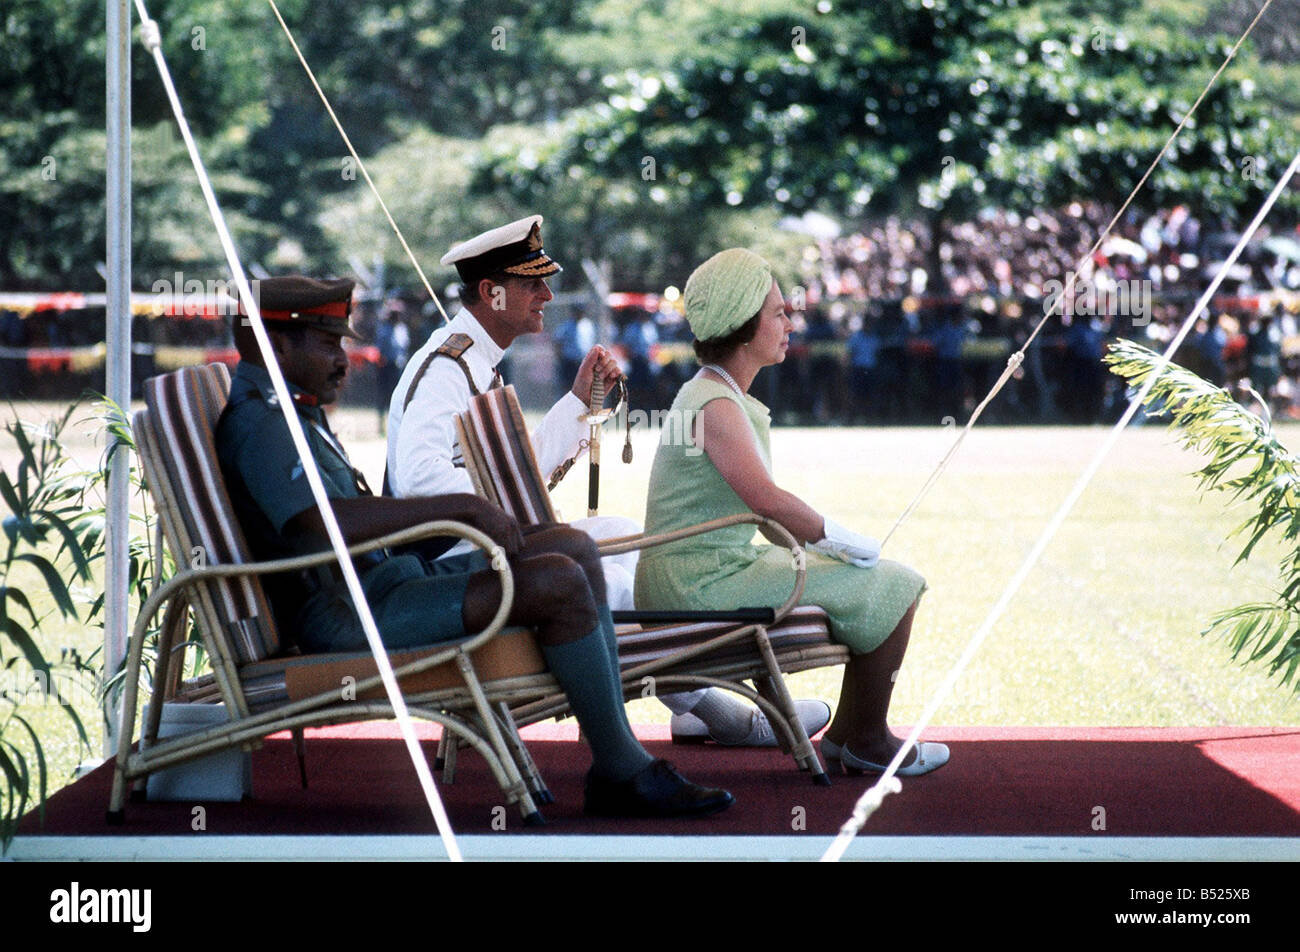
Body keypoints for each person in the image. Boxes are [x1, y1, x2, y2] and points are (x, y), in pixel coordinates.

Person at [215, 275, 733, 818]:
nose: (344, 359)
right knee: (556, 580)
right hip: (349, 614)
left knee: (572, 547)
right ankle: (621, 768)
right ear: (276, 345)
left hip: (380, 585)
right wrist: (458, 508)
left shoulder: (292, 411)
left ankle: (616, 757)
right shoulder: (264, 422)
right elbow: (318, 524)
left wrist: (469, 511)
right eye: (327, 344)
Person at [387, 216, 829, 748]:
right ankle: (709, 707)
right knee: (614, 580)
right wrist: (506, 511)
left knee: (626, 539)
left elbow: (514, 470)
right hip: (446, 561)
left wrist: (578, 402)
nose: (547, 294)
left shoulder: (476, 361)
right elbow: (418, 478)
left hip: (472, 547)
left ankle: (693, 703)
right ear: (490, 292)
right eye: (532, 284)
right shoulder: (448, 367)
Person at [635, 249, 950, 776]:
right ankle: (865, 740)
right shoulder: (715, 404)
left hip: (696, 576)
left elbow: (763, 514)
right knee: (896, 585)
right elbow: (766, 502)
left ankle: (854, 736)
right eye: (778, 312)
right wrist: (837, 539)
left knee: (873, 578)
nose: (790, 323)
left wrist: (821, 550)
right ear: (741, 325)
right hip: (698, 586)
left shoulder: (713, 394)